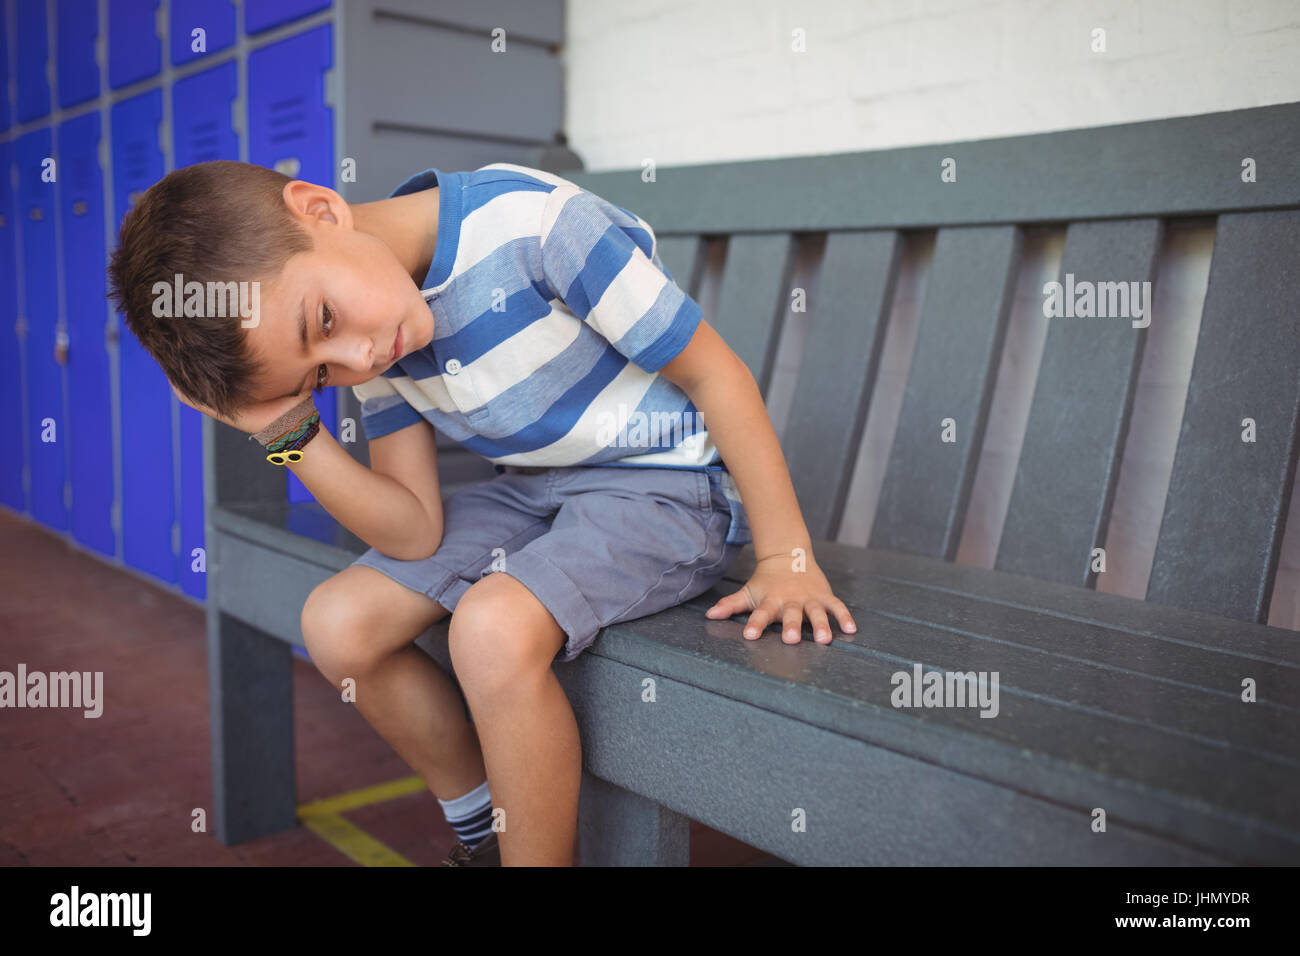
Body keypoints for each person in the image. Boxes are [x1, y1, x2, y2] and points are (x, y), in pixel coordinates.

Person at [107, 159, 857, 866]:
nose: (359, 359)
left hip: (665, 488)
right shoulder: (377, 330)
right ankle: (484, 831)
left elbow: (714, 373)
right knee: (337, 624)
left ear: (321, 209)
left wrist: (786, 558)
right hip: (539, 491)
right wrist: (283, 431)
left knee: (492, 629)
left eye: (324, 322)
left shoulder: (538, 230)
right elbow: (412, 528)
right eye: (321, 375)